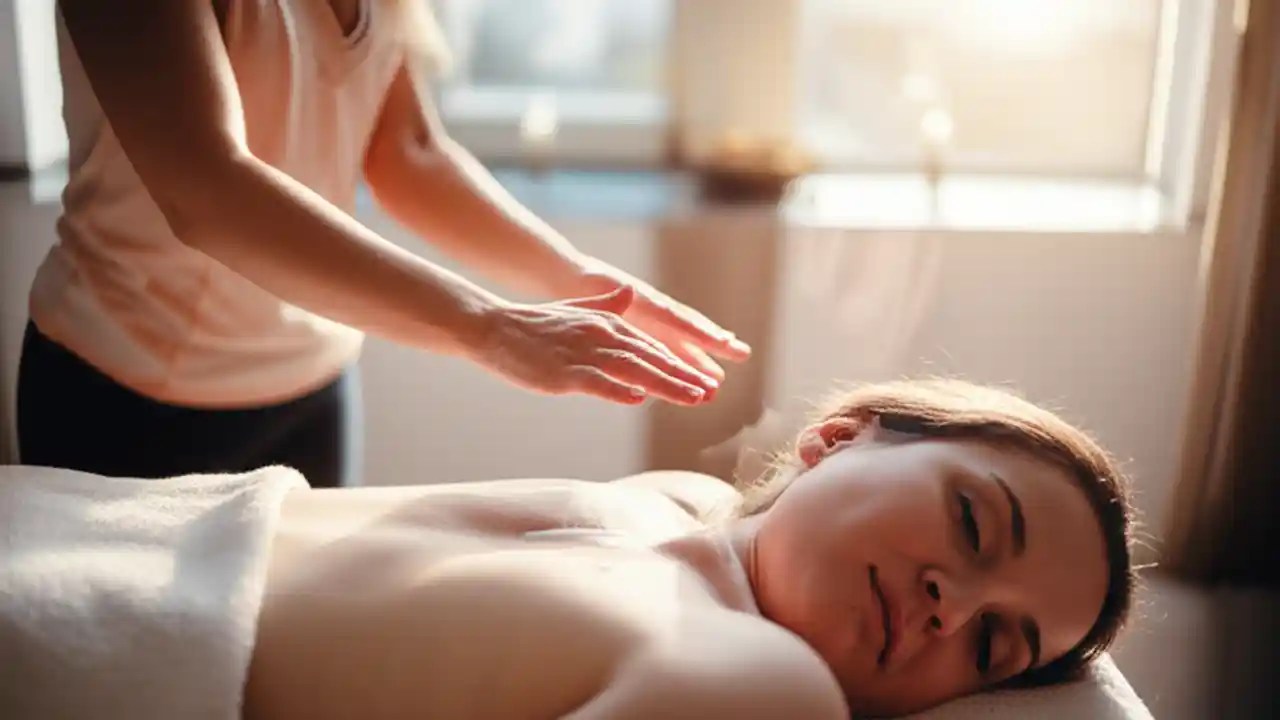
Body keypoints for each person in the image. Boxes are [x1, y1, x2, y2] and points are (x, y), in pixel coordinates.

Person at [17, 0, 748, 488]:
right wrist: (489, 327)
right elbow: (207, 189)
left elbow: (409, 151)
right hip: (128, 395)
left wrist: (583, 279)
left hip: (313, 386)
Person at [232, 378, 1133, 719]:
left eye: (991, 647)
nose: (955, 608)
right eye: (974, 524)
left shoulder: (762, 684)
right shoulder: (683, 505)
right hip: (132, 527)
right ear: (838, 437)